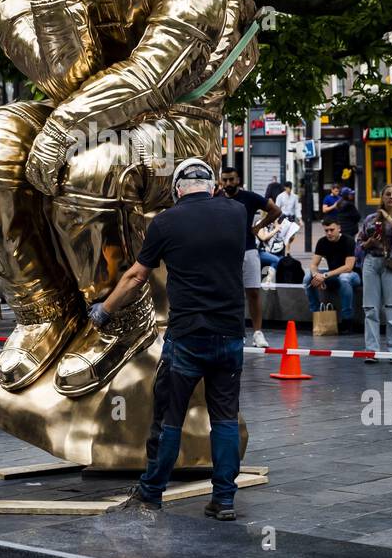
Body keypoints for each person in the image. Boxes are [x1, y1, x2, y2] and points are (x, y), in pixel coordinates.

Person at [105, 159, 247, 520]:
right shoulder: (237, 212)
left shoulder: (166, 222)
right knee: (225, 418)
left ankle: (152, 492)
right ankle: (225, 499)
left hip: (187, 336)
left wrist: (104, 309)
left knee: (170, 417)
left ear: (177, 189)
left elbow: (136, 276)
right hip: (230, 334)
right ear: (213, 185)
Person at [218, 167, 280, 348]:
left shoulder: (250, 197)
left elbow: (275, 210)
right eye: (225, 180)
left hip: (248, 249)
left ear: (238, 180)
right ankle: (236, 331)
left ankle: (258, 333)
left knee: (253, 292)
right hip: (225, 253)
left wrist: (258, 226)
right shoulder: (216, 199)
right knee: (230, 294)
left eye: (231, 179)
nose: (228, 183)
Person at [356, 185, 392, 358]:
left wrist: (387, 216)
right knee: (370, 308)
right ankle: (371, 350)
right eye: (387, 194)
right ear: (382, 197)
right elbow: (360, 241)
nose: (391, 198)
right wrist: (368, 243)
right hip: (372, 262)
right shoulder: (371, 218)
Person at [304, 219, 360, 324]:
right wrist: (316, 276)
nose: (329, 233)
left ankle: (347, 320)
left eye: (332, 230)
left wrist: (325, 275)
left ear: (339, 228)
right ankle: (316, 315)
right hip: (332, 273)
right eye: (326, 230)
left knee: (344, 278)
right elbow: (313, 265)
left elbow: (348, 267)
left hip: (352, 275)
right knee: (307, 277)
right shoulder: (322, 242)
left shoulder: (348, 241)